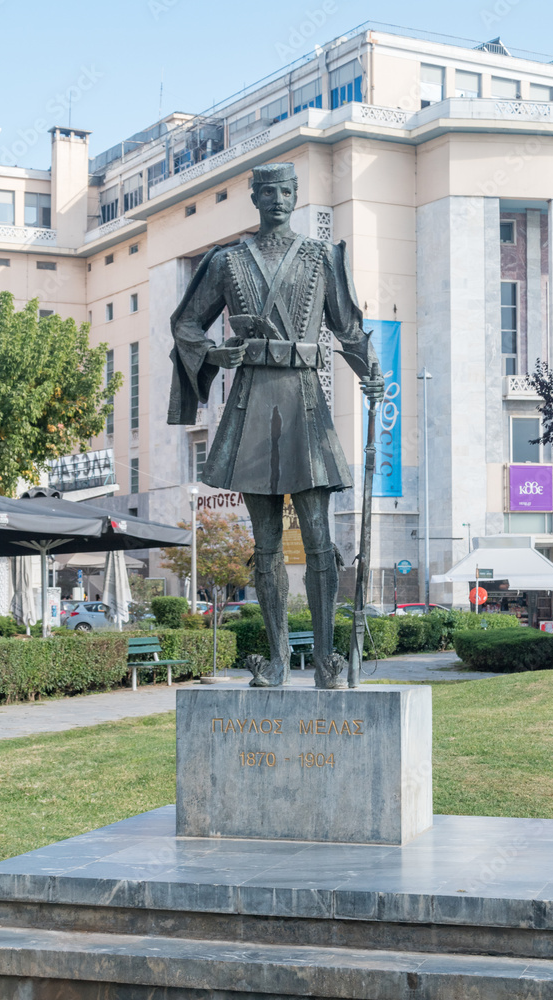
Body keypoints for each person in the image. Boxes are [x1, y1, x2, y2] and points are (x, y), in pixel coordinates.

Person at [168, 162, 381, 688]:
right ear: (256, 196)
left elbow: (348, 328)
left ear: (295, 194)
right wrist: (218, 353)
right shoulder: (226, 261)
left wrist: (372, 374)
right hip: (251, 406)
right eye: (269, 191)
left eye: (287, 190)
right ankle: (279, 659)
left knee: (318, 537)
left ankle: (329, 662)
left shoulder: (321, 257)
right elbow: (185, 322)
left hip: (306, 402)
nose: (279, 199)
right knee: (263, 545)